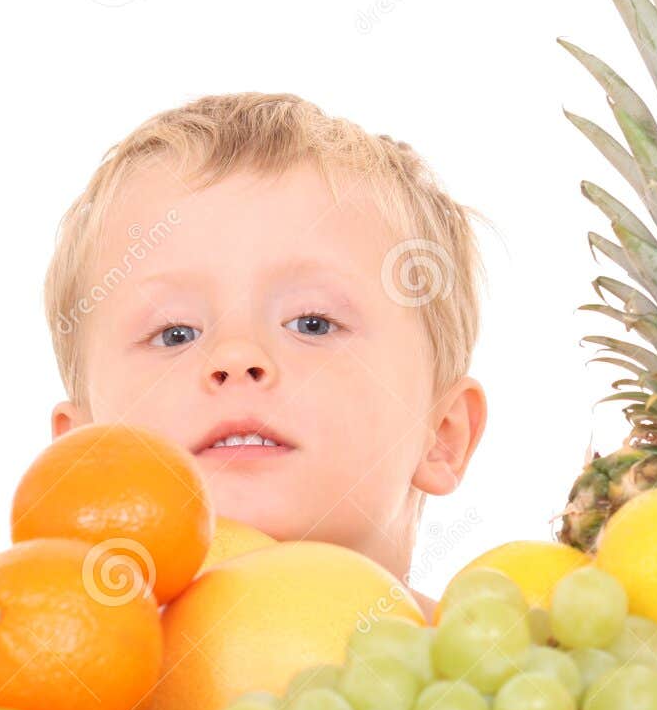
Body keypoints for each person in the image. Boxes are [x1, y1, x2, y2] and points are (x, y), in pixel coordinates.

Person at [44, 92, 486, 597]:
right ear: (78, 461)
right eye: (175, 334)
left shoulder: (527, 662)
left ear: (442, 436)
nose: (236, 358)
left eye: (312, 323)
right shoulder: (13, 660)